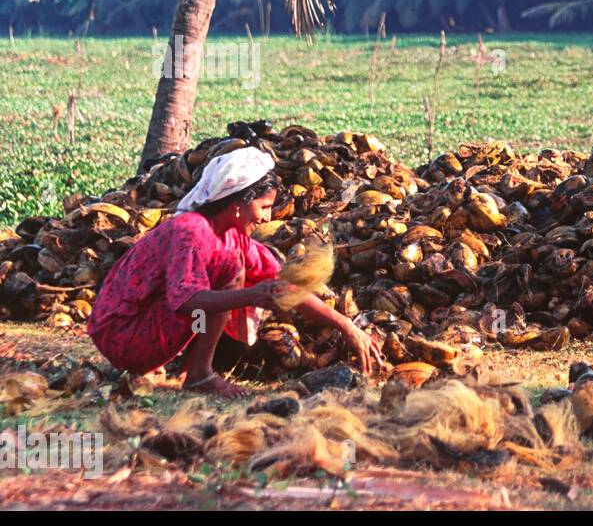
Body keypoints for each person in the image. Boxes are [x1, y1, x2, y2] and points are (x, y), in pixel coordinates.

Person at [87, 147, 380, 398]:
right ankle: (200, 374)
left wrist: (347, 326)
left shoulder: (230, 236)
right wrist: (249, 295)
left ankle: (192, 368)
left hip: (144, 331)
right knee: (229, 269)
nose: (267, 217)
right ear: (239, 201)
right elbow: (187, 300)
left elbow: (282, 288)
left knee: (231, 268)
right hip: (123, 335)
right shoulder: (190, 231)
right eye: (263, 207)